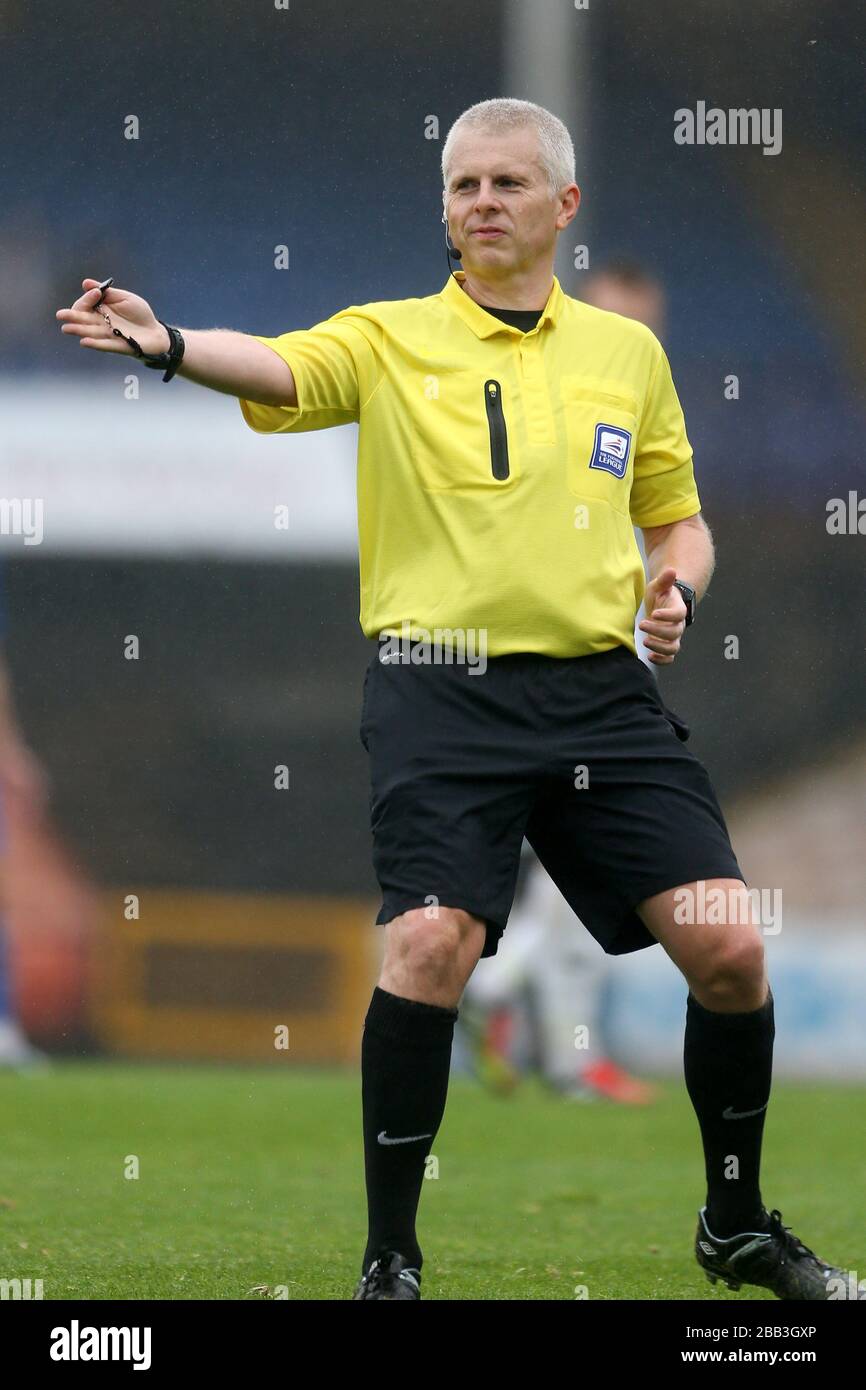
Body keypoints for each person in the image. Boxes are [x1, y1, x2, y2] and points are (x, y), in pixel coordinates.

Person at [55, 97, 851, 1302]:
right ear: (443, 208)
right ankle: (390, 1256)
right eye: (463, 185)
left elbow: (676, 519)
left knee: (731, 949)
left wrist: (675, 585)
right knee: (430, 942)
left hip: (598, 696)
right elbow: (275, 363)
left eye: (506, 184)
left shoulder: (624, 355)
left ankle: (734, 1224)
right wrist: (168, 344)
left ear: (561, 206)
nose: (481, 202)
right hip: (440, 693)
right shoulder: (387, 339)